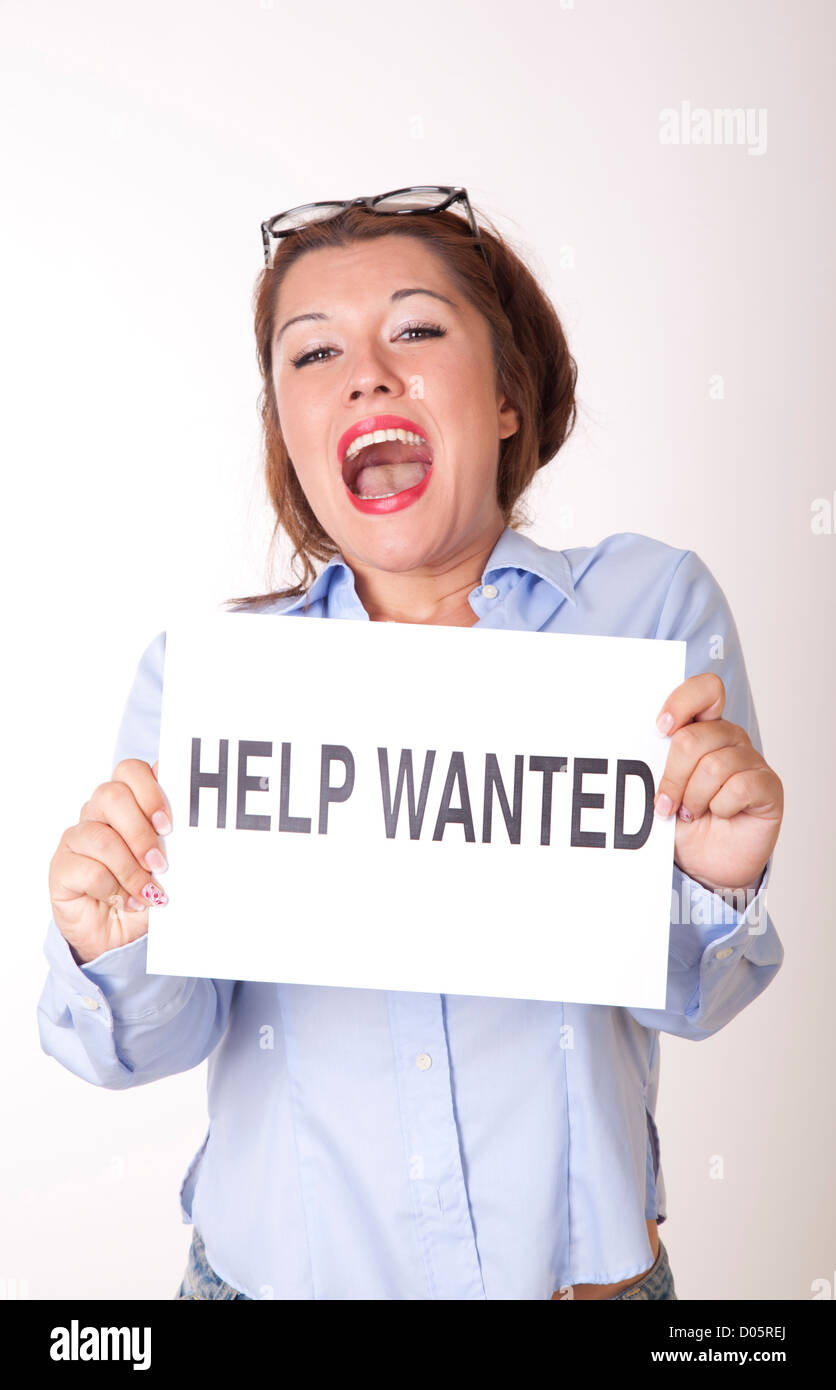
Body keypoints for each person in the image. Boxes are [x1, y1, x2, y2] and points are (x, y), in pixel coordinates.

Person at [37, 187, 785, 1301]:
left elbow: (690, 999)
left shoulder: (645, 609)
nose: (366, 373)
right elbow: (138, 1047)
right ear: (288, 430)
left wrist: (709, 887)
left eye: (418, 330)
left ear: (503, 400)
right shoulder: (212, 685)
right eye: (313, 352)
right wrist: (109, 943)